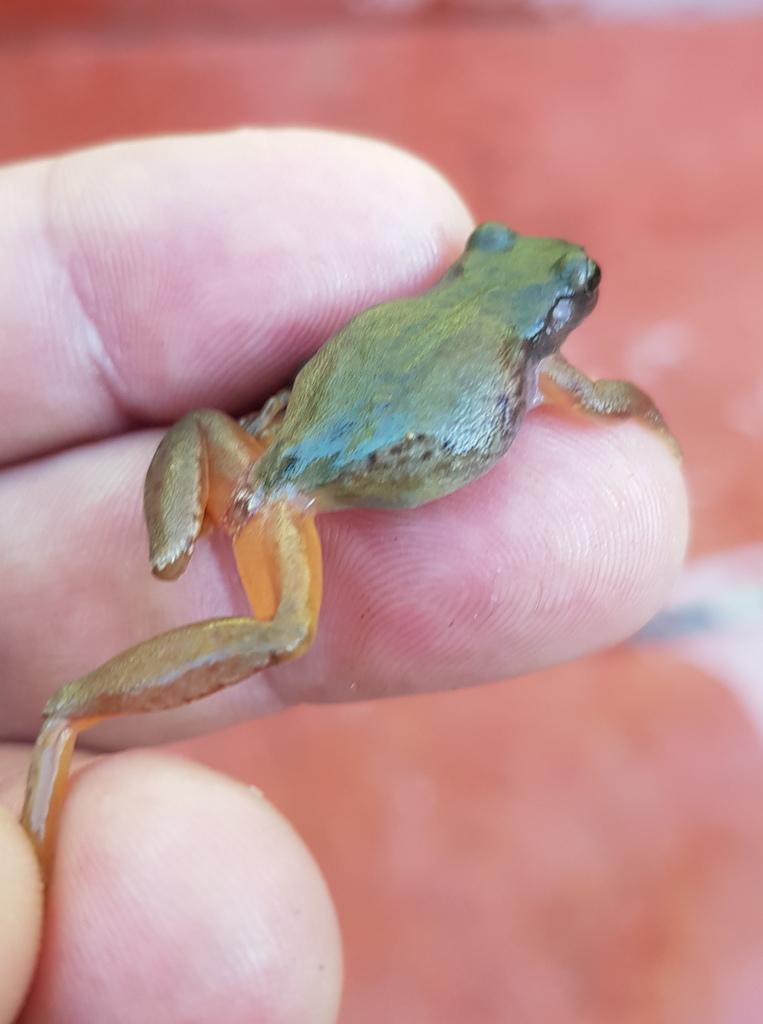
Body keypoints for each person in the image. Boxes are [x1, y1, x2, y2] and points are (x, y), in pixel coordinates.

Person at [0, 129, 687, 1024]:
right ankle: (72, 710)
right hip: (293, 486)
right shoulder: (544, 363)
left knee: (219, 439)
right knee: (287, 629)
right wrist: (655, 421)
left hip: (241, 449)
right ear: (551, 322)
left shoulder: (481, 331)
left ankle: (151, 582)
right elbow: (608, 402)